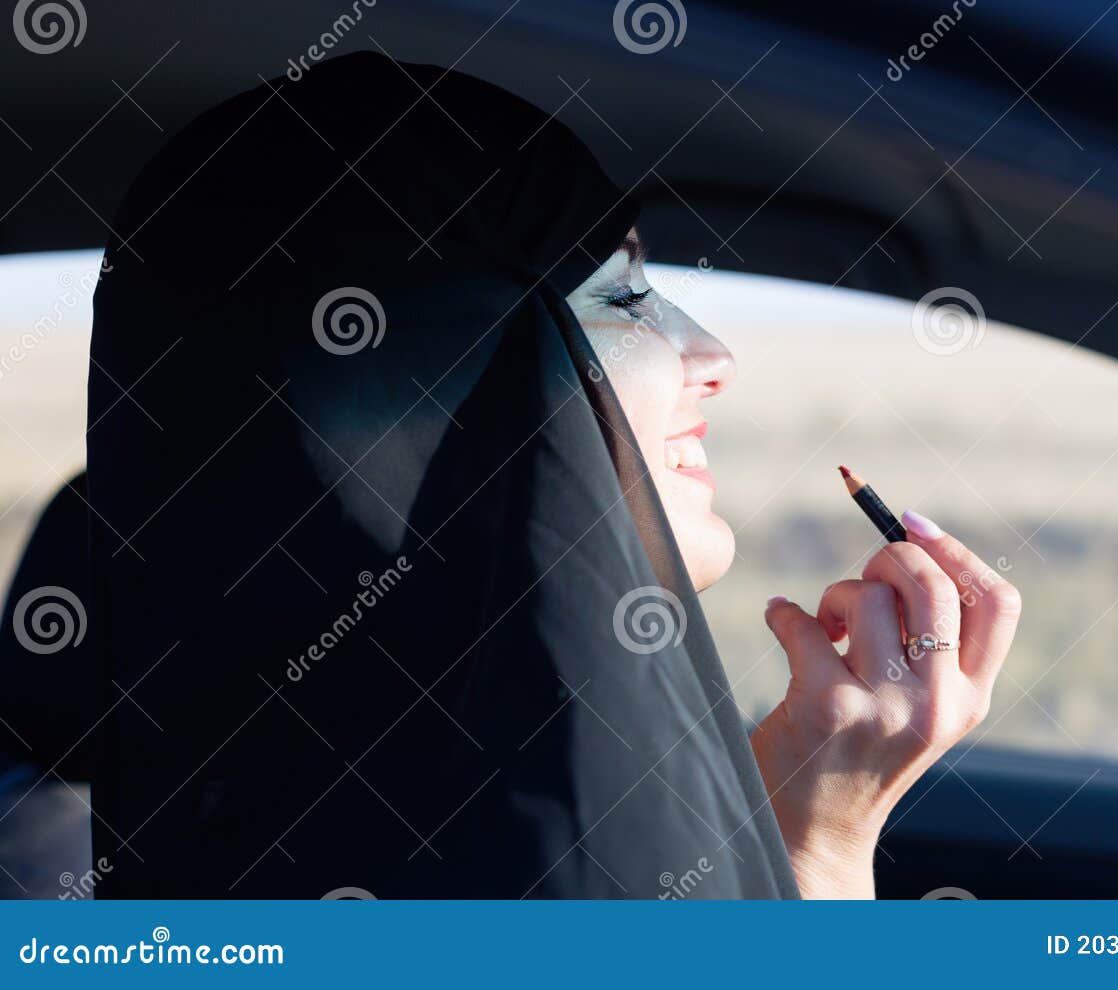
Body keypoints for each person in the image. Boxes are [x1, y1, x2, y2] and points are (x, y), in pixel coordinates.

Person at [85, 52, 1019, 899]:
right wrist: (816, 852)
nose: (714, 352)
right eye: (618, 298)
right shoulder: (554, 844)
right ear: (420, 383)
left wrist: (798, 823)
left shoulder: (244, 797)